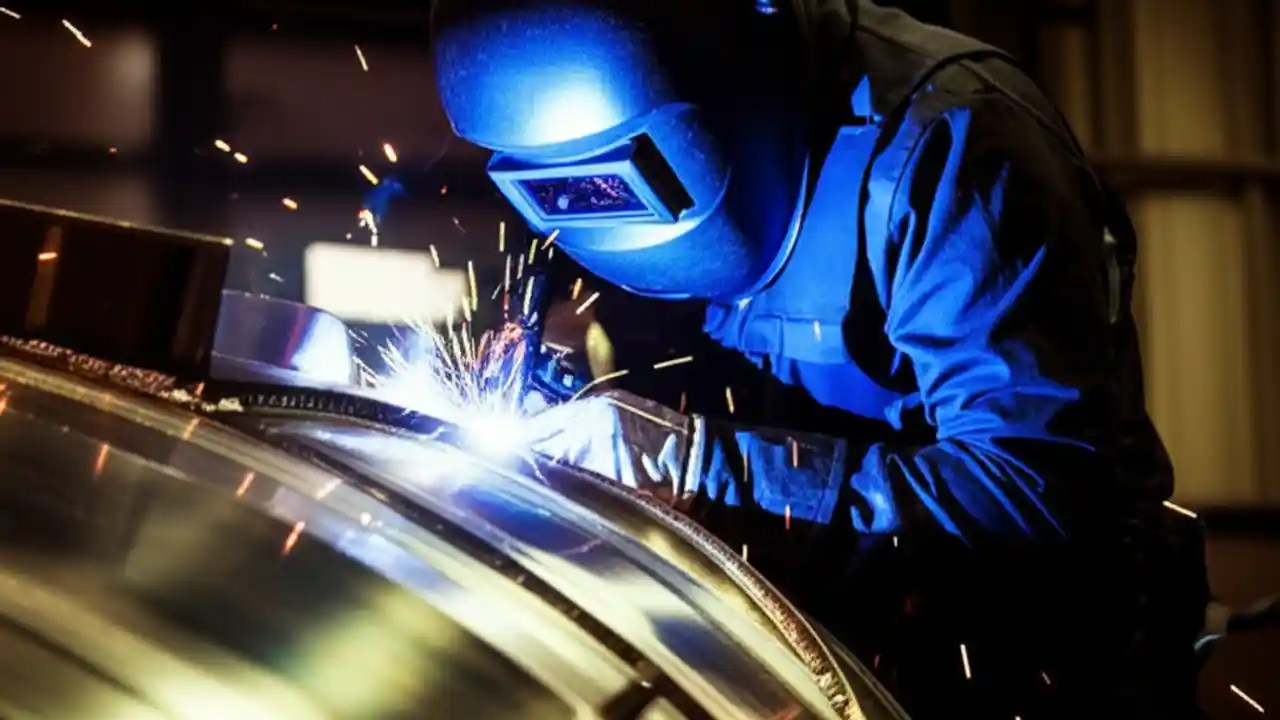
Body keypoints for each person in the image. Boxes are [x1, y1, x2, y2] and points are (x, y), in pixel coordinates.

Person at [430, 1, 1205, 717]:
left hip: (1024, 686)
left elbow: (1036, 502)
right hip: (795, 668)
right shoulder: (575, 155)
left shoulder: (953, 139)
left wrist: (696, 467)